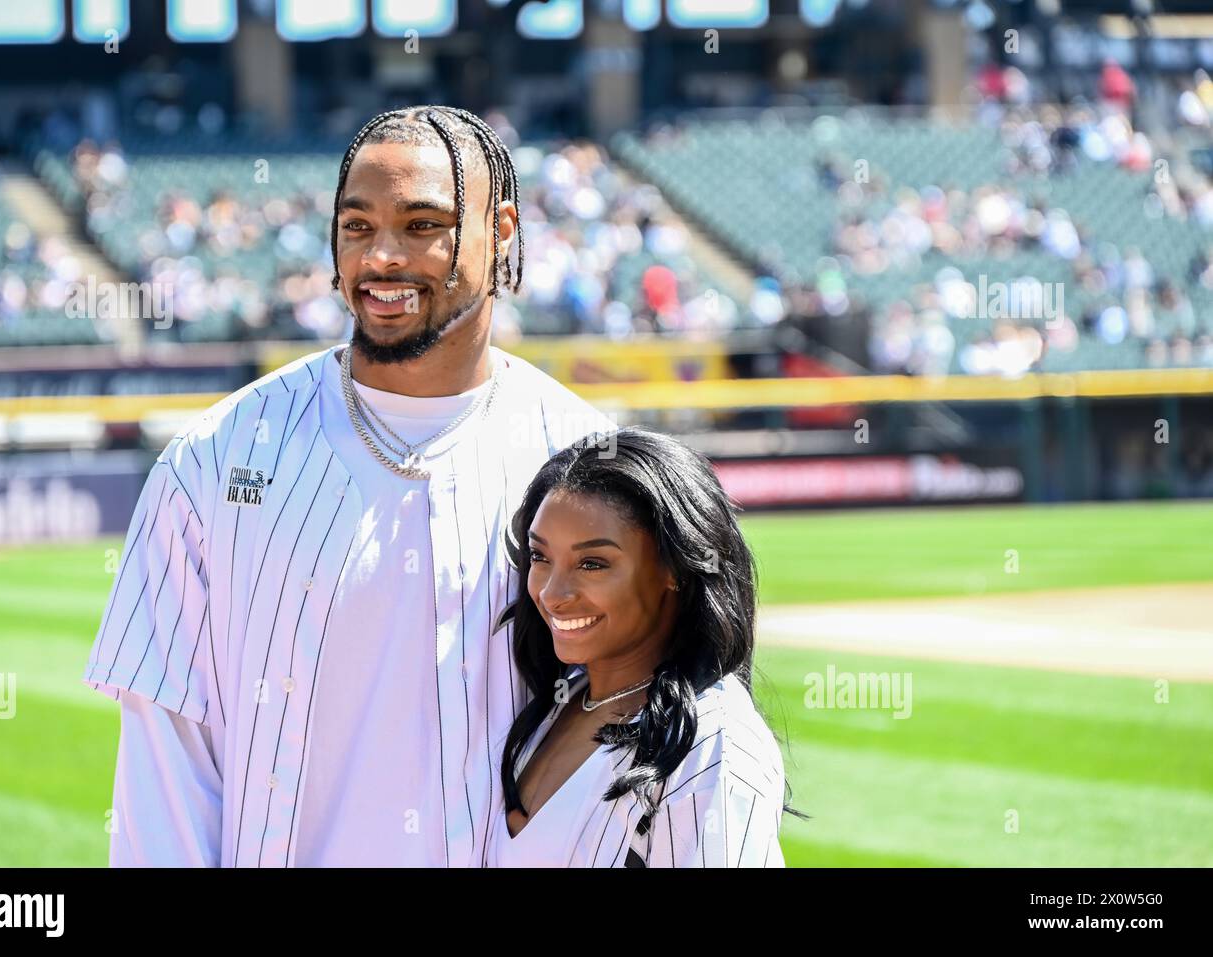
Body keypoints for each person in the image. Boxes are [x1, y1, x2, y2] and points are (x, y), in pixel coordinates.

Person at [82, 105, 616, 866]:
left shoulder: (593, 464)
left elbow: (649, 739)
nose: (382, 258)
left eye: (423, 224)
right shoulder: (212, 460)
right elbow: (165, 777)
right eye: (357, 227)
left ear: (500, 231)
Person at [486, 427, 799, 867]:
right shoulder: (556, 699)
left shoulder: (715, 745)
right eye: (541, 557)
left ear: (676, 569)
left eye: (592, 563)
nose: (553, 594)